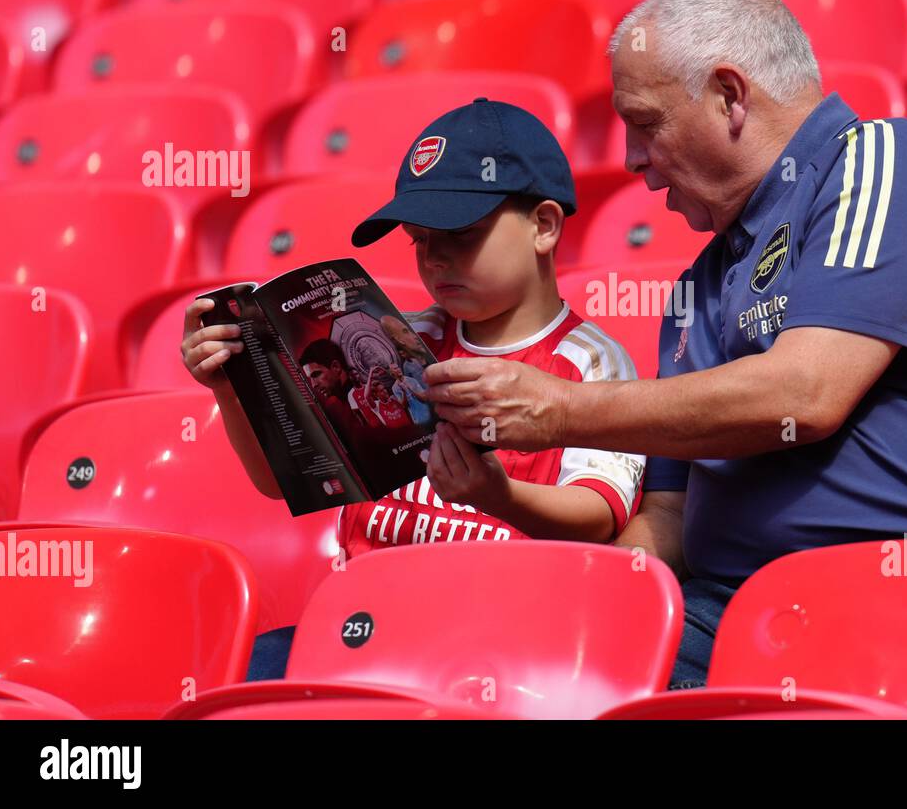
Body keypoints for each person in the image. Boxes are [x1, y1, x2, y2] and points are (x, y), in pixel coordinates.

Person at [421, 0, 907, 687]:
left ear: (729, 96)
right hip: (749, 618)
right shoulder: (695, 291)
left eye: (646, 122)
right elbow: (668, 530)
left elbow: (807, 393)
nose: (630, 158)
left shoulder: (884, 162)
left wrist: (558, 411)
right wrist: (532, 559)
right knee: (502, 666)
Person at [180, 99, 646, 680]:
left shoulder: (591, 361)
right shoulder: (397, 337)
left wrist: (497, 497)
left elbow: (600, 515)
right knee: (230, 684)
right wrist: (234, 386)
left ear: (544, 226)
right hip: (362, 620)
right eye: (419, 239)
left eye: (462, 234)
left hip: (498, 641)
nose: (435, 257)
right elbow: (280, 483)